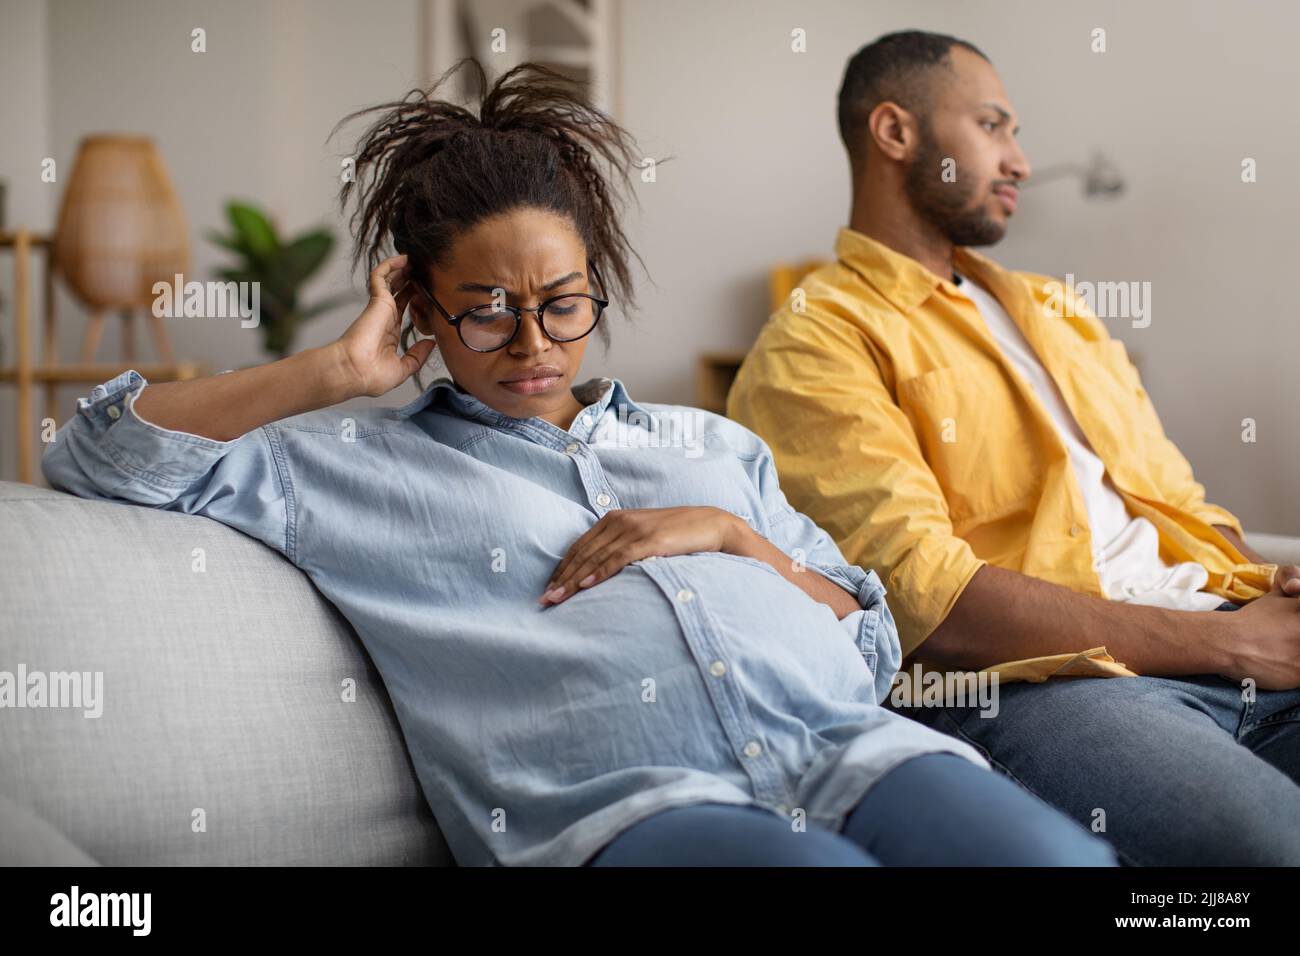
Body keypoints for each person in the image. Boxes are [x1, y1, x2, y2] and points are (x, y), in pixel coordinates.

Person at [42, 60, 1114, 868]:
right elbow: (93, 452)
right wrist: (328, 370)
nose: (534, 344)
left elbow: (870, 635)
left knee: (1069, 862)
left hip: (852, 750)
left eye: (562, 304)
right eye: (486, 310)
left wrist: (733, 539)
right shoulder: (339, 466)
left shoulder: (709, 448)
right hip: (626, 810)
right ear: (420, 304)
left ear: (595, 281)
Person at [727, 30, 1300, 865]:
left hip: (1225, 628)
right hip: (1053, 685)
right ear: (896, 133)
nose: (1022, 161)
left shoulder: (1059, 311)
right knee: (1270, 847)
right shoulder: (818, 340)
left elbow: (1178, 510)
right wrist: (1225, 643)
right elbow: (930, 608)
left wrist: (1268, 589)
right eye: (995, 126)